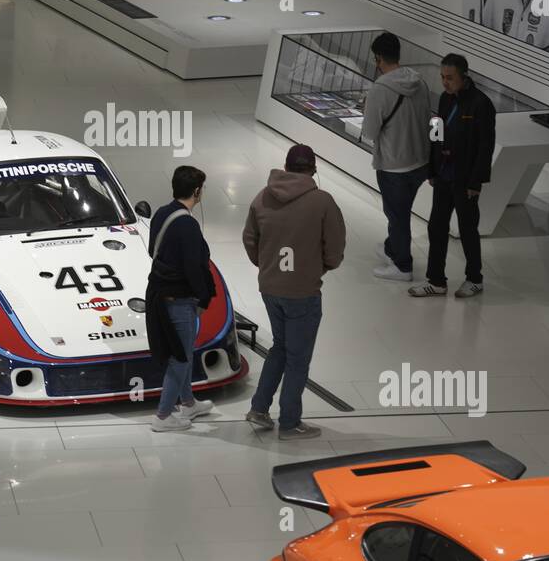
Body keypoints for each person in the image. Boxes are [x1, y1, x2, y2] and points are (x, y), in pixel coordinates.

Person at [241, 144, 346, 439]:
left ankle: (259, 409)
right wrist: (319, 268)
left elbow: (250, 239)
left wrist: (266, 264)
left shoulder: (262, 198)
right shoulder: (322, 202)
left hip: (271, 287)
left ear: (285, 167)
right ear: (313, 169)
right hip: (303, 291)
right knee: (298, 358)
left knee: (280, 347)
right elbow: (335, 249)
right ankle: (289, 422)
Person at [409, 54, 495, 298]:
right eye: (442, 77)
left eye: (450, 78)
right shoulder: (446, 99)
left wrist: (476, 182)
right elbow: (436, 132)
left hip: (465, 179)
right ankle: (436, 280)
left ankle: (475, 278)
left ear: (463, 76)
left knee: (467, 229)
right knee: (436, 227)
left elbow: (485, 145)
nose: (445, 82)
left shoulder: (481, 104)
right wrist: (432, 169)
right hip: (444, 176)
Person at [145, 166, 218, 432]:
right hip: (179, 299)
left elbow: (153, 249)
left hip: (160, 293)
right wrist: (204, 297)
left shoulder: (161, 213)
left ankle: (188, 402)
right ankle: (163, 416)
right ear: (197, 191)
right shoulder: (187, 224)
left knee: (184, 351)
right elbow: (195, 267)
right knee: (181, 356)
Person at [362, 32, 431, 281]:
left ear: (378, 58)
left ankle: (403, 266)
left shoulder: (380, 89)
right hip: (421, 161)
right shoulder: (419, 81)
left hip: (394, 165)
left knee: (397, 216)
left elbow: (370, 132)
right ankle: (392, 248)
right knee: (401, 212)